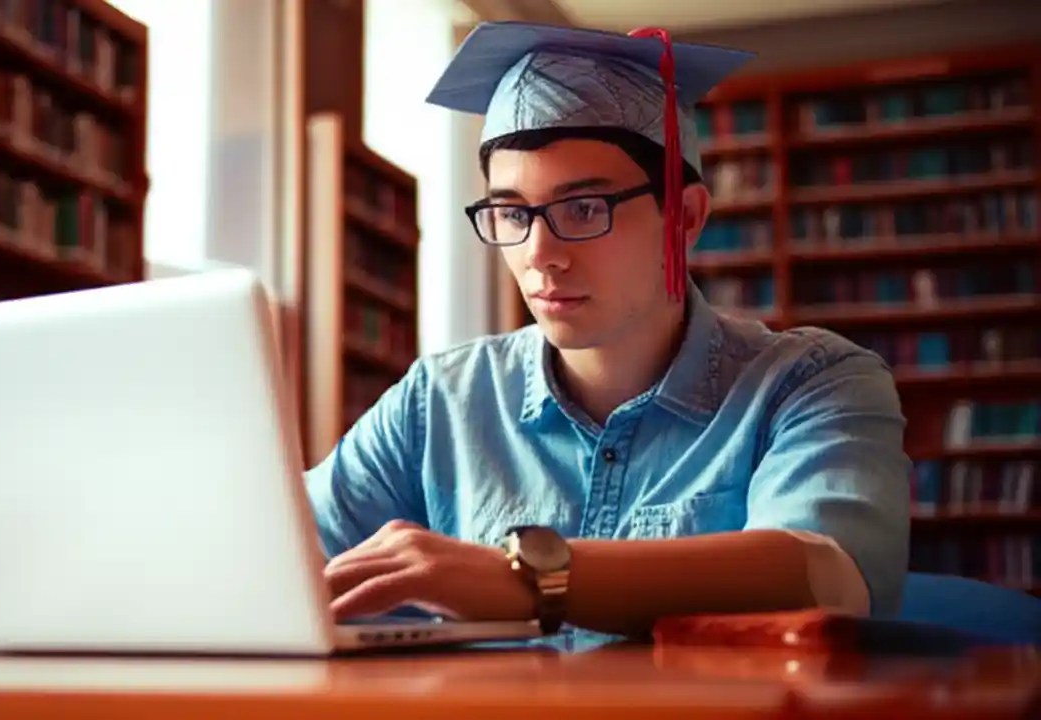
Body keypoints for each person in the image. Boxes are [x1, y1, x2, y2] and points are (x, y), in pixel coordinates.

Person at [304, 21, 911, 638]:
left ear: (684, 215)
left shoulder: (811, 385)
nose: (541, 253)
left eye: (584, 208)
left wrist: (520, 580)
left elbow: (829, 575)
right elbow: (283, 552)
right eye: (513, 212)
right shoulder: (440, 402)